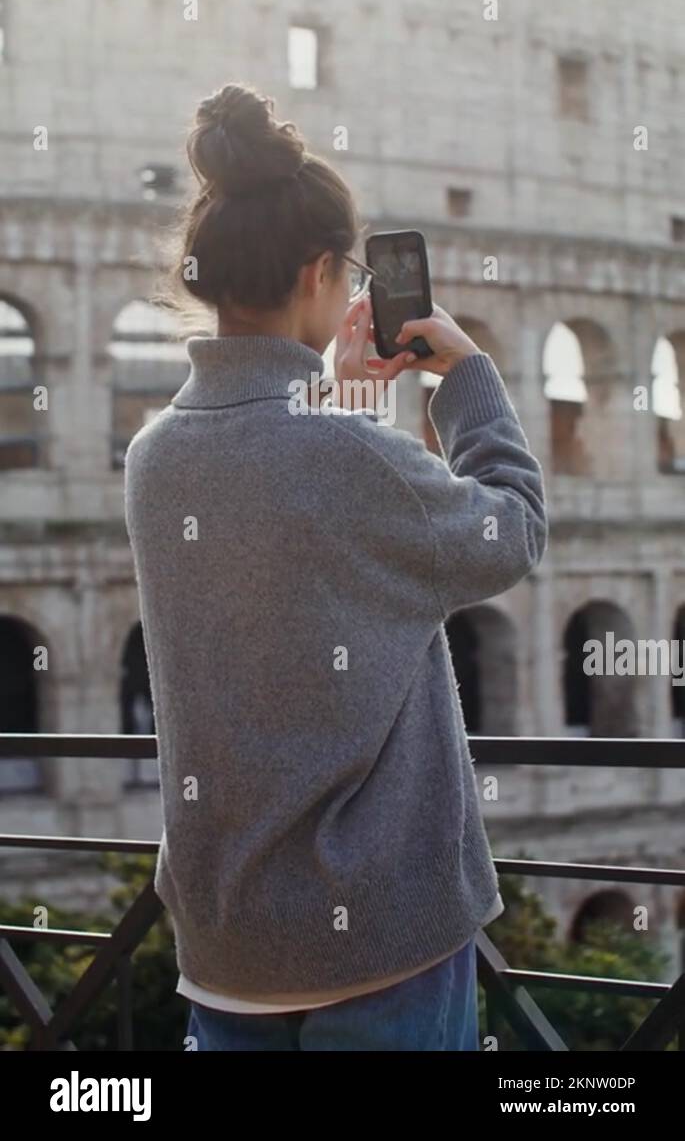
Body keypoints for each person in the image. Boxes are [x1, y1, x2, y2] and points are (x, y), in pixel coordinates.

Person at [123, 82, 548, 1051]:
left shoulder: (155, 455)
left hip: (230, 948)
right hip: (377, 944)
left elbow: (300, 536)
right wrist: (468, 376)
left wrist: (337, 400)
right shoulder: (345, 454)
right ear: (322, 270)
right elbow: (512, 531)